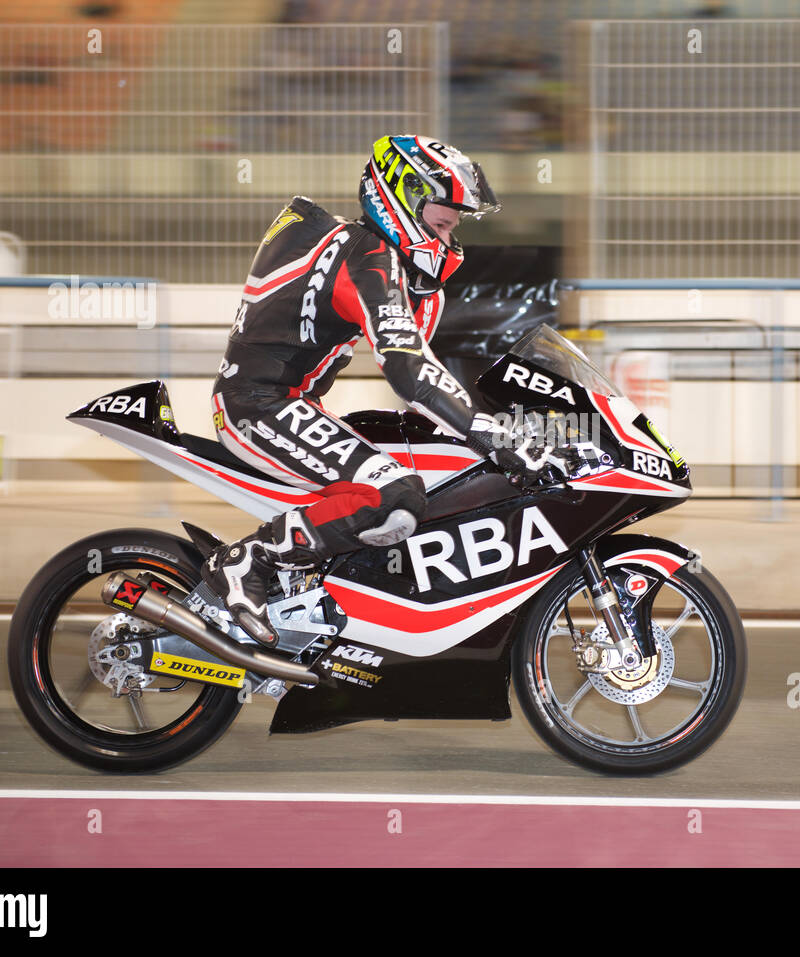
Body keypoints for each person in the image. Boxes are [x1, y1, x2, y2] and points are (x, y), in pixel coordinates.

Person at [203, 134, 554, 645]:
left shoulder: (386, 262)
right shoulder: (363, 253)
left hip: (290, 404)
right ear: (403, 192)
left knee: (430, 472)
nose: (454, 221)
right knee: (390, 495)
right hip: (258, 407)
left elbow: (428, 368)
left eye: (460, 212)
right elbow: (409, 372)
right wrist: (499, 439)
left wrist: (503, 423)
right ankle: (248, 560)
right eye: (445, 204)